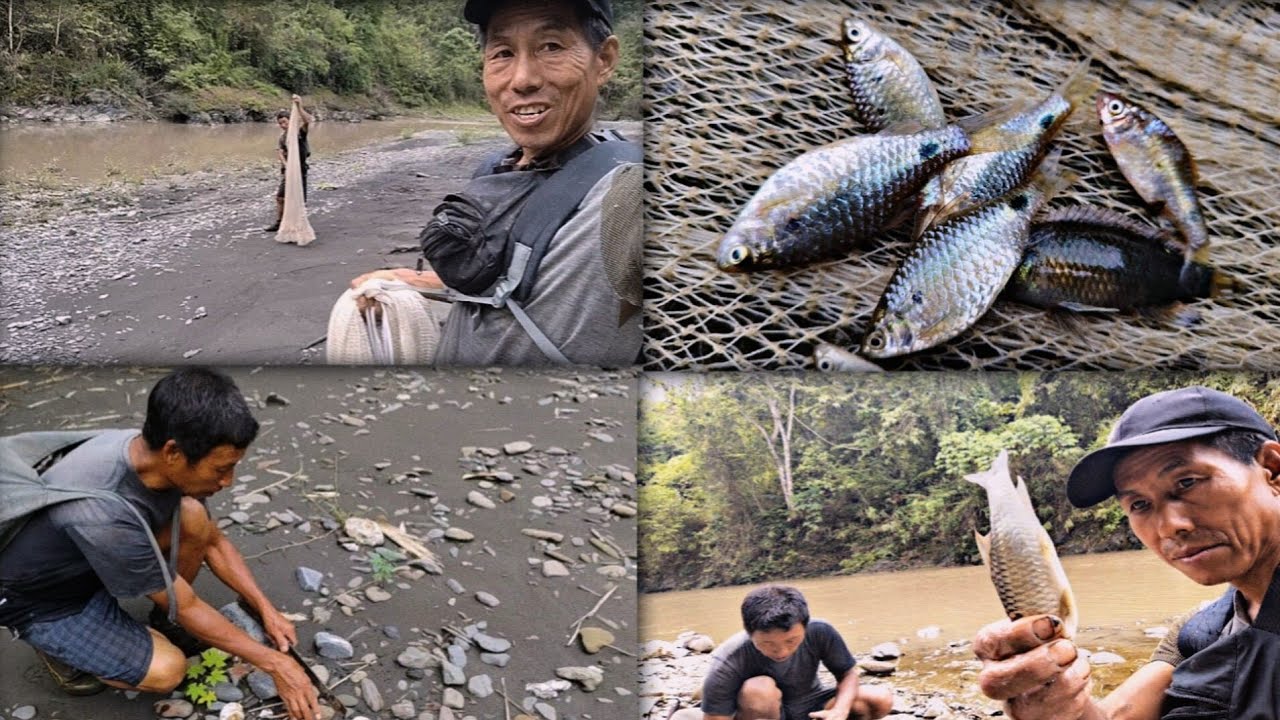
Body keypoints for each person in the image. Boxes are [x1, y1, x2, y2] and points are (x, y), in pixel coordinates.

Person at [0, 368, 321, 720]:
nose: (228, 481)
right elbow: (187, 606)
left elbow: (212, 541)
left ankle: (159, 619)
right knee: (168, 669)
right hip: (43, 600)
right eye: (220, 470)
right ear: (173, 453)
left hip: (89, 555)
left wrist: (265, 609)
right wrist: (275, 664)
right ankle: (57, 649)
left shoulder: (149, 452)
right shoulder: (101, 515)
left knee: (193, 516)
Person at [347, 0, 643, 367]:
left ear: (604, 60)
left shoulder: (631, 191)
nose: (522, 80)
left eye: (551, 46)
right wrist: (416, 282)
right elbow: (511, 283)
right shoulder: (498, 167)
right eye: (503, 53)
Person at [972, 386, 1280, 720]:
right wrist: (1056, 705)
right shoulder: (1199, 631)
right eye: (1140, 504)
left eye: (1187, 482)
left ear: (1273, 470)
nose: (1168, 527)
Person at [671, 585, 893, 720]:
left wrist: (840, 711)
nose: (781, 651)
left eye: (792, 640)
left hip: (811, 704)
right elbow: (716, 717)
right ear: (750, 632)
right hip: (758, 712)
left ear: (805, 627)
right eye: (768, 643)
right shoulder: (728, 658)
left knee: (879, 699)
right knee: (759, 689)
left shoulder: (821, 631)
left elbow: (847, 674)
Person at [264, 94, 313, 232]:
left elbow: (307, 120)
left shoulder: (299, 133)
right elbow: (279, 152)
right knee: (280, 197)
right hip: (287, 170)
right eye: (280, 123)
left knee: (299, 199)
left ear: (291, 121)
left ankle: (299, 223)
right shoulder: (282, 137)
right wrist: (286, 165)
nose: (282, 125)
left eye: (285, 122)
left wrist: (299, 105)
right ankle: (279, 222)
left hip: (300, 169)